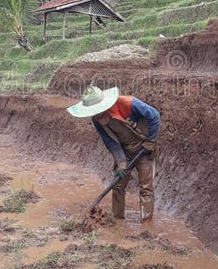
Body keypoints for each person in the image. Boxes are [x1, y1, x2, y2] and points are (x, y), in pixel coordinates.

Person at [68, 84, 160, 227]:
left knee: (146, 188)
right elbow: (111, 142)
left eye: (101, 113)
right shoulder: (96, 120)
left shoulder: (128, 103)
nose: (99, 117)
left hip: (144, 149)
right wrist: (121, 163)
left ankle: (146, 225)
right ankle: (117, 222)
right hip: (124, 151)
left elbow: (154, 116)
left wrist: (150, 141)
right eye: (95, 115)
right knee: (118, 185)